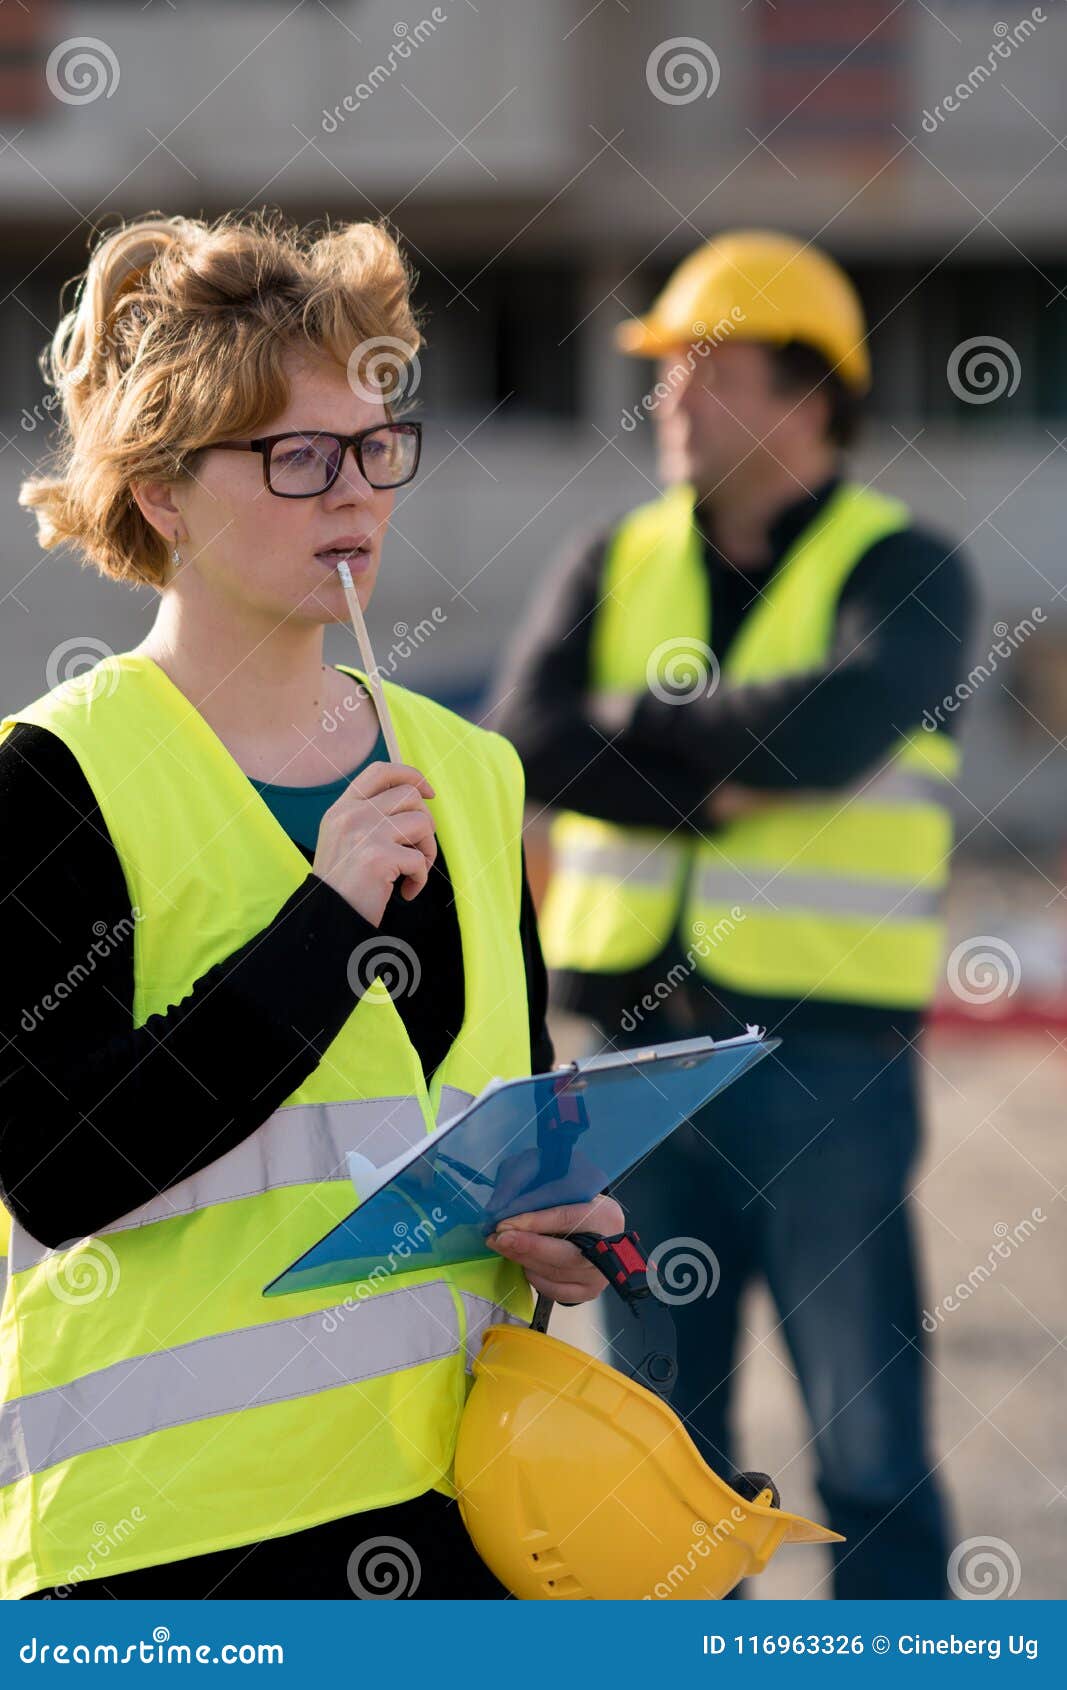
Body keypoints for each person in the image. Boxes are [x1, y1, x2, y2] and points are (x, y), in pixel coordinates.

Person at [0, 211, 622, 1601]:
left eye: (374, 448)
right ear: (162, 491)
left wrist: (551, 1215)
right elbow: (56, 1168)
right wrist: (326, 919)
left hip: (458, 1507)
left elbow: (488, 1107)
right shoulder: (53, 777)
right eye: (296, 458)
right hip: (165, 1543)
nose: (353, 494)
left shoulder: (467, 769)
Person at [492, 230, 977, 1599]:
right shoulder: (614, 555)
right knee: (655, 1460)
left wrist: (634, 734)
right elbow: (523, 738)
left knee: (868, 1446)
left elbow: (834, 730)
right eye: (663, 375)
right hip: (628, 1077)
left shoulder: (912, 570)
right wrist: (721, 785)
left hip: (825, 1067)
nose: (667, 401)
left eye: (702, 371)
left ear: (808, 391)